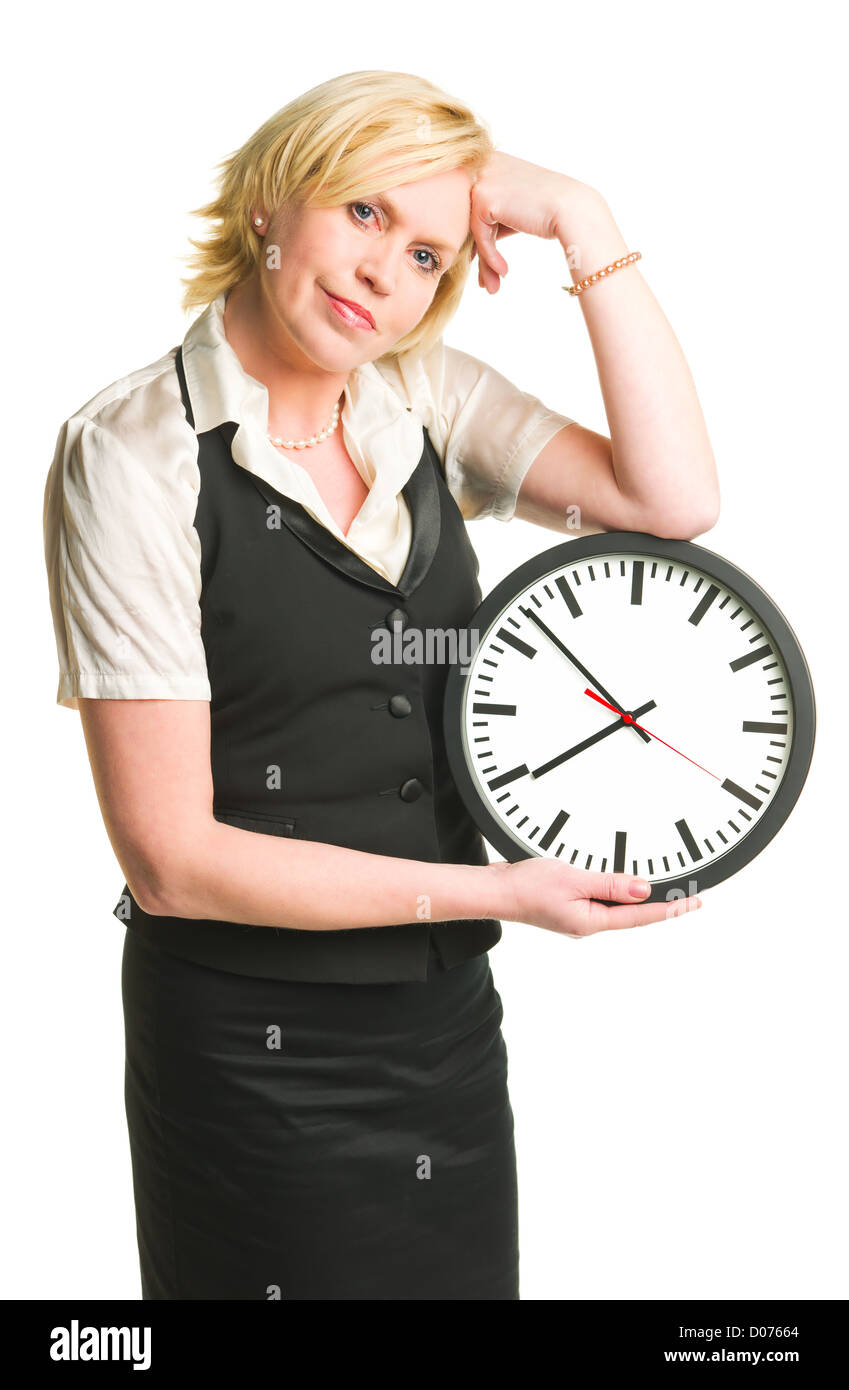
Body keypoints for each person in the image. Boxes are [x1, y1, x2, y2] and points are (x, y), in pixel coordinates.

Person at [42, 69, 718, 1300]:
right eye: (360, 213)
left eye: (425, 253)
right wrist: (495, 888)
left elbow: (669, 502)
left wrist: (584, 216)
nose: (381, 277)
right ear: (273, 201)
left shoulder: (421, 396)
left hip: (442, 1036)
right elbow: (171, 858)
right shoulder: (132, 453)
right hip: (252, 1057)